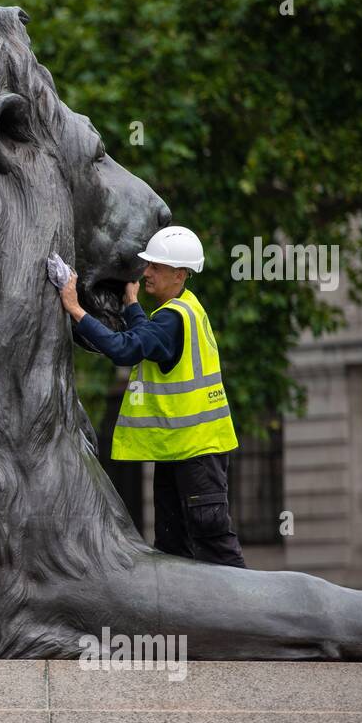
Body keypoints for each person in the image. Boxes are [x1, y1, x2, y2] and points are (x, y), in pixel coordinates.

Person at [56, 226, 247, 568]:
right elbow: (149, 336)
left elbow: (124, 348)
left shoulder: (173, 320)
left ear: (179, 274)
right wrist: (131, 303)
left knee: (215, 548)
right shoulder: (184, 309)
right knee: (174, 549)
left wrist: (75, 310)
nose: (146, 272)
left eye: (156, 267)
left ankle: (251, 618)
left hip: (197, 453)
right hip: (183, 450)